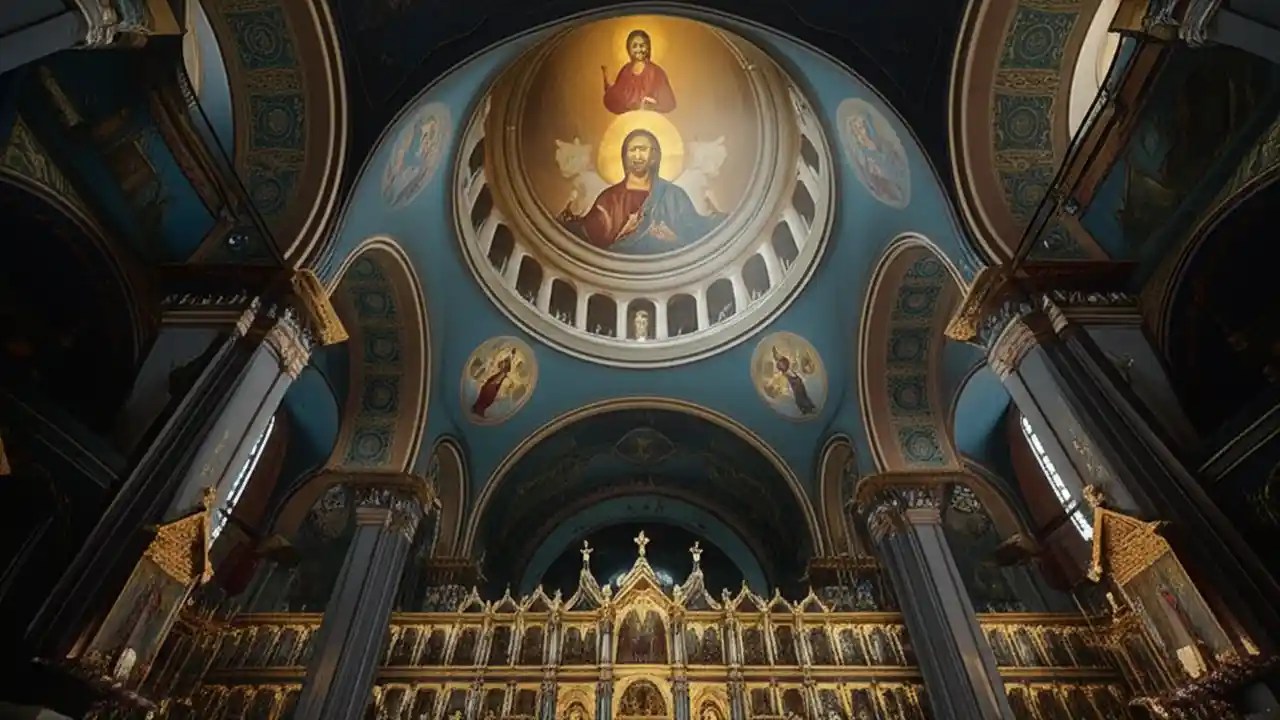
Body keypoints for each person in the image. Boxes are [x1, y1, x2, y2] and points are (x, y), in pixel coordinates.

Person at [559, 129, 722, 254]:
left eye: (643, 149)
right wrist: (623, 236)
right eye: (632, 150)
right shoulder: (608, 199)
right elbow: (586, 240)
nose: (637, 156)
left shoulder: (673, 196)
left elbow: (698, 233)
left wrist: (672, 239)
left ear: (654, 156)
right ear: (624, 155)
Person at [602, 30, 676, 114]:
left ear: (648, 47)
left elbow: (669, 103)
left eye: (642, 45)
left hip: (651, 119)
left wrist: (653, 106)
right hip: (629, 119)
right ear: (629, 49)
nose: (638, 49)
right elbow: (616, 98)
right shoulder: (625, 71)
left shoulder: (656, 72)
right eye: (634, 46)